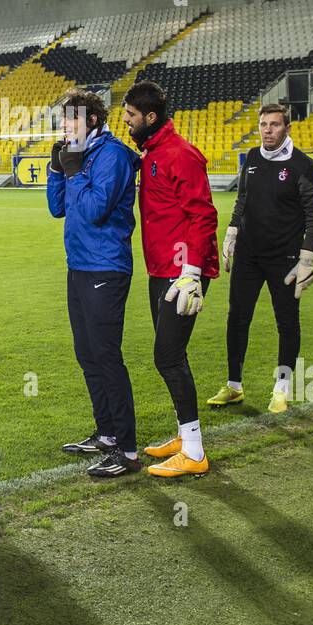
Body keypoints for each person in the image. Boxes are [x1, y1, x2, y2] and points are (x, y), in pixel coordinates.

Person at [122, 80, 218, 478]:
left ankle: (194, 451)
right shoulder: (154, 153)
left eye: (129, 115)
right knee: (171, 356)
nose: (124, 122)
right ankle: (185, 435)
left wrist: (192, 273)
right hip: (162, 270)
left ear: (150, 116)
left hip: (181, 275)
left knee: (167, 356)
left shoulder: (179, 155)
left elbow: (204, 215)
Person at [47, 88, 142, 478]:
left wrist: (73, 171)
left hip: (106, 266)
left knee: (107, 356)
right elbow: (57, 209)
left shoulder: (113, 156)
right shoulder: (81, 155)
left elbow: (95, 210)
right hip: (80, 265)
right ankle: (106, 435)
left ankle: (129, 451)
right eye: (63, 120)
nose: (65, 127)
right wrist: (57, 170)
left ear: (93, 121)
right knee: (87, 354)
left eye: (71, 119)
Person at [210, 102, 313, 414]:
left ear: (287, 128)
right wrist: (232, 232)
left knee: (286, 321)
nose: (268, 130)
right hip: (248, 254)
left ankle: (282, 388)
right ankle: (234, 386)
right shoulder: (253, 158)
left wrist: (307, 260)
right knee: (237, 317)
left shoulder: (304, 166)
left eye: (275, 125)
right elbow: (243, 198)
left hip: (285, 257)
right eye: (263, 124)